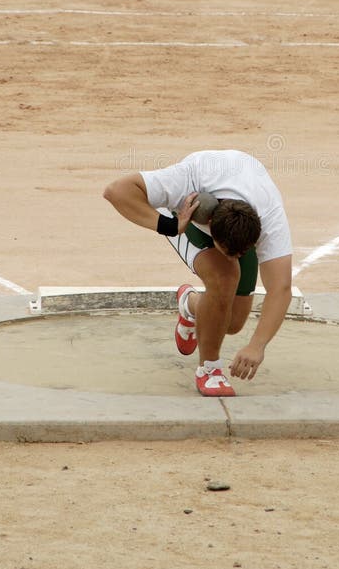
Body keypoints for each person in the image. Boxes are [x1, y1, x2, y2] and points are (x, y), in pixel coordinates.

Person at [103, 149, 293, 397]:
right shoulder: (184, 181)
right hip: (184, 218)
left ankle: (190, 304)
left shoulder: (269, 214)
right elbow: (116, 191)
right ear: (213, 229)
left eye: (243, 253)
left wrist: (257, 346)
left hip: (243, 201)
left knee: (232, 323)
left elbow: (281, 288)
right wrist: (171, 226)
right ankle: (209, 370)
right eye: (229, 252)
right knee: (225, 277)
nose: (236, 259)